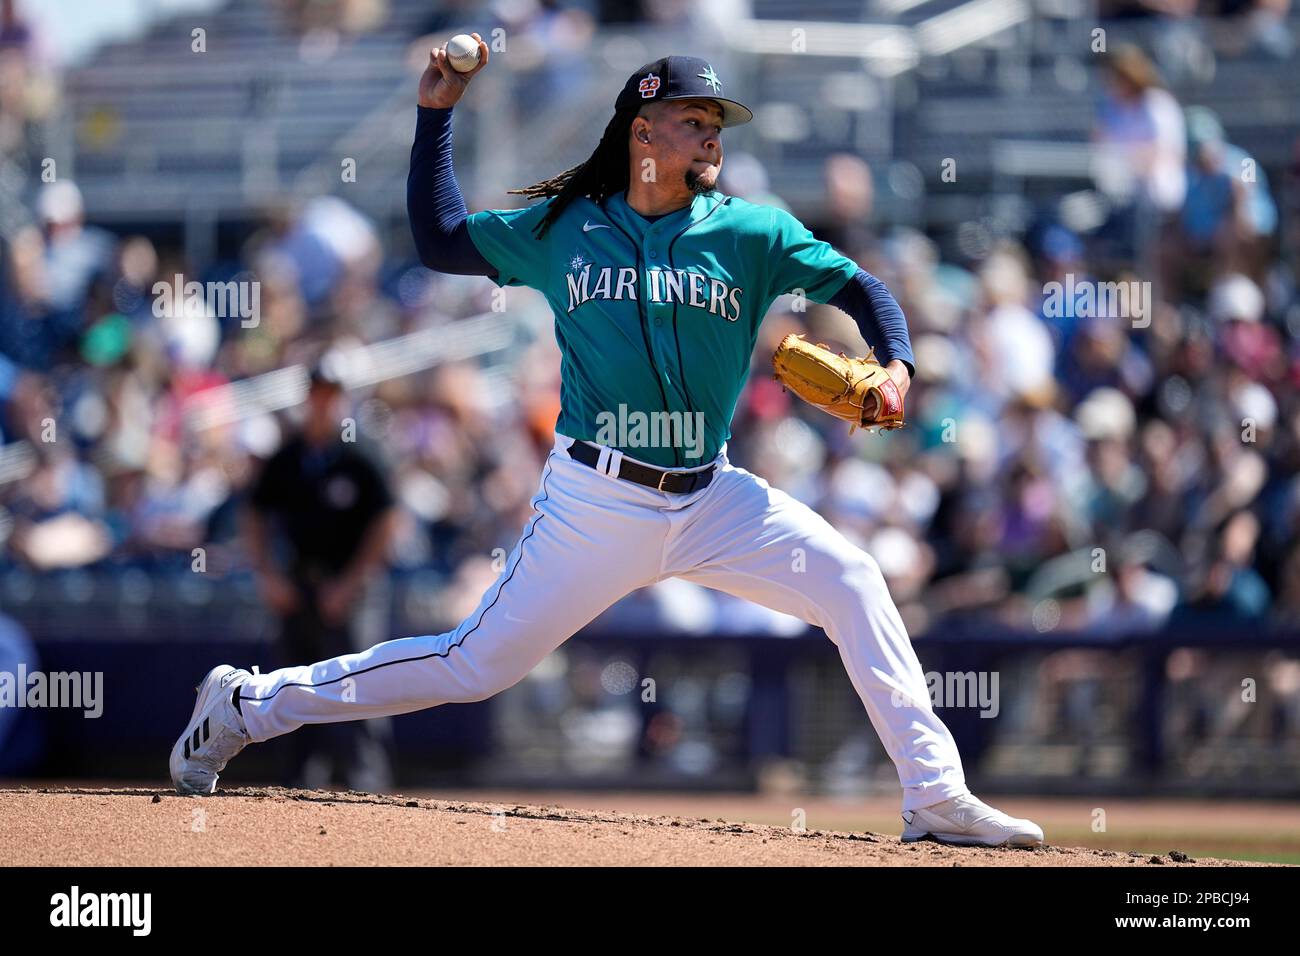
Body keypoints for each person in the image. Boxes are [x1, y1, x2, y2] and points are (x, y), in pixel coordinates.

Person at [170, 40, 1044, 848]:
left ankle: (932, 793)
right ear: (644, 130)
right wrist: (436, 116)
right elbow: (439, 241)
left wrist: (894, 364)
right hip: (596, 499)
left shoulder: (750, 231)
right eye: (694, 122)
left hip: (713, 497)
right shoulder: (564, 227)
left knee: (853, 578)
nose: (710, 139)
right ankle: (247, 704)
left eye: (717, 127)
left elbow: (862, 285)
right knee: (473, 665)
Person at [241, 362, 398, 791]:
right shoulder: (288, 456)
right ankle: (296, 789)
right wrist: (269, 576)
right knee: (294, 687)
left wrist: (349, 583)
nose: (323, 402)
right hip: (299, 588)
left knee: (357, 686)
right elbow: (254, 513)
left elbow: (386, 522)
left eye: (332, 393)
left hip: (352, 591)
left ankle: (366, 789)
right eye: (317, 392)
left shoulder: (361, 453)